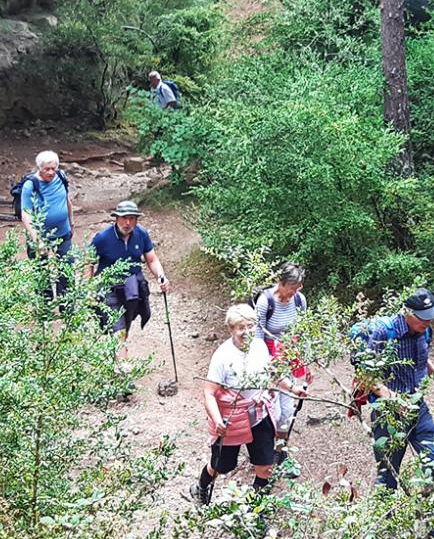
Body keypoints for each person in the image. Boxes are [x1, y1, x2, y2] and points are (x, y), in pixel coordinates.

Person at [349, 288, 434, 539]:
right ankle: (383, 533)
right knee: (388, 473)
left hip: (418, 409)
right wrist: (392, 400)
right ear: (408, 313)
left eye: (430, 317)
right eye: (423, 318)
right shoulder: (384, 333)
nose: (428, 322)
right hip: (389, 415)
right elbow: (368, 374)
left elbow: (424, 358)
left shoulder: (425, 331)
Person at [193, 304, 291, 507]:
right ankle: (201, 486)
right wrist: (217, 420)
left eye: (250, 326)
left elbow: (272, 372)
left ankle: (256, 509)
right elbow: (209, 393)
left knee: (265, 466)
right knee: (222, 465)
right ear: (231, 329)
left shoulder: (260, 347)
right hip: (232, 418)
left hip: (259, 413)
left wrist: (292, 388)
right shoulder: (222, 356)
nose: (246, 332)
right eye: (241, 327)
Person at [84, 201, 170, 353]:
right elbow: (88, 263)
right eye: (124, 218)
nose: (128, 222)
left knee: (125, 325)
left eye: (132, 218)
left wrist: (161, 276)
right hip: (108, 287)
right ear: (116, 218)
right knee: (118, 329)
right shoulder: (102, 238)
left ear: (137, 220)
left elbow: (151, 259)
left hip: (132, 287)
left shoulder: (141, 234)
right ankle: (122, 369)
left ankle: (117, 355)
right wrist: (89, 289)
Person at [254, 265, 309, 452]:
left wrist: (307, 362)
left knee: (287, 410)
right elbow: (257, 336)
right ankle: (265, 451)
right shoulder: (265, 302)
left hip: (288, 358)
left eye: (298, 287)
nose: (295, 292)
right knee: (272, 410)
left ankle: (280, 451)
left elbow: (303, 332)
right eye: (292, 287)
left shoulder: (299, 300)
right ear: (282, 282)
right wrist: (265, 367)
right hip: (269, 361)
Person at [19, 151, 75, 303]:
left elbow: (66, 199)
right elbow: (26, 213)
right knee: (41, 272)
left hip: (63, 233)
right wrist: (37, 239)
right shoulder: (30, 184)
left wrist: (71, 221)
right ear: (39, 168)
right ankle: (45, 308)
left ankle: (67, 307)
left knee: (67, 268)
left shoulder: (61, 177)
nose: (51, 172)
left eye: (53, 168)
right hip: (39, 236)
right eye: (47, 169)